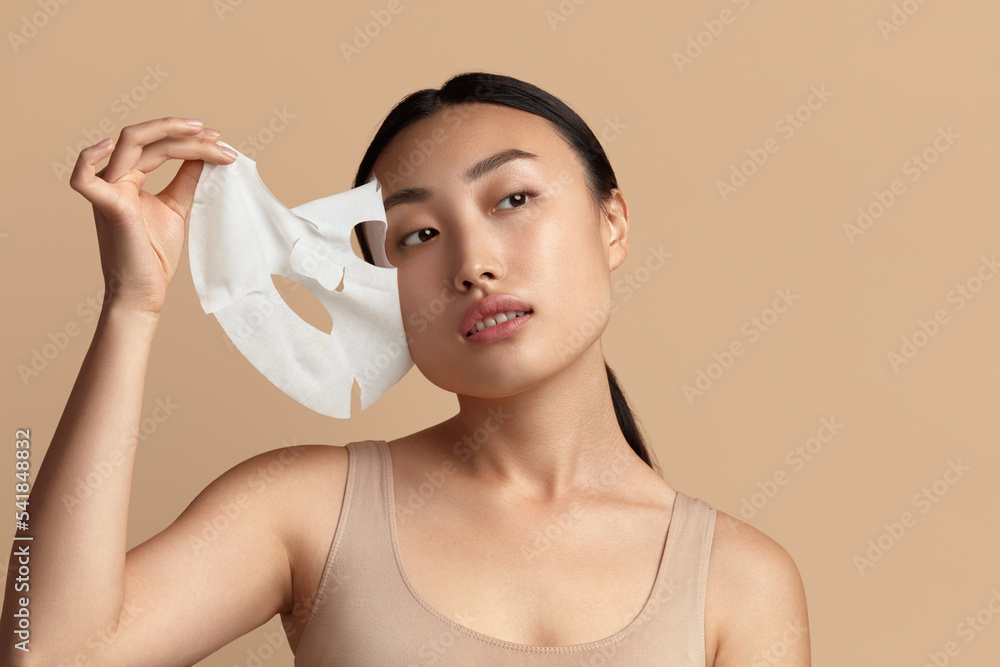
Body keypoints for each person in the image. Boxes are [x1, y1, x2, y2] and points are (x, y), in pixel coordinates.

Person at [1, 72, 810, 666]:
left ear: (612, 223)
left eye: (513, 199)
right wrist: (131, 305)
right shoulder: (306, 509)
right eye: (417, 234)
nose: (473, 263)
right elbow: (51, 653)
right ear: (379, 289)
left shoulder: (738, 580)